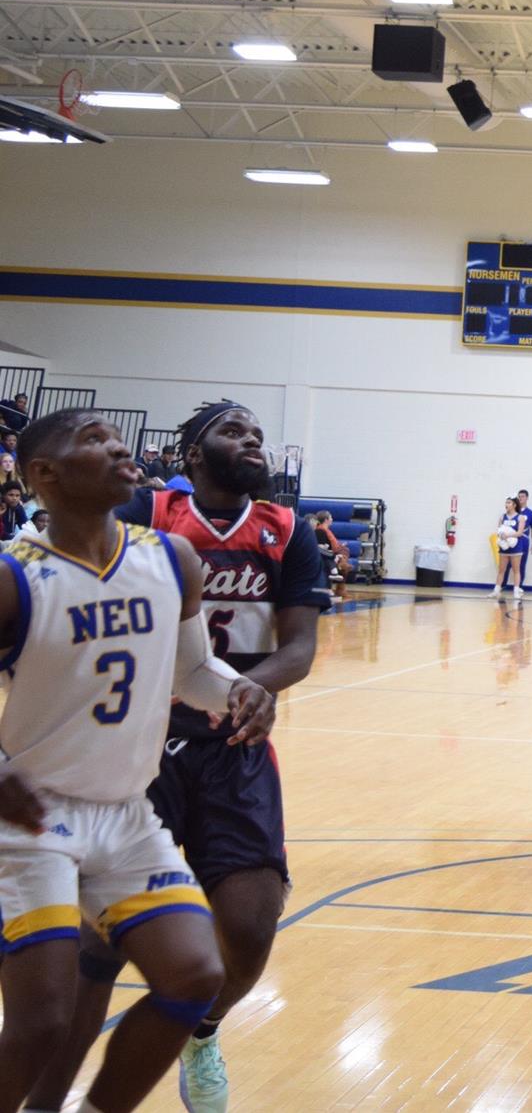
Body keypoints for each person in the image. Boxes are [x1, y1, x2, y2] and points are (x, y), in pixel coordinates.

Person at [27, 400, 327, 1113]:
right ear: (193, 453)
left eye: (257, 433)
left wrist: (249, 689)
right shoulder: (146, 514)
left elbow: (299, 645)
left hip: (232, 741)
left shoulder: (286, 530)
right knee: (96, 948)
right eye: (233, 430)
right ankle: (48, 1097)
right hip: (136, 746)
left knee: (249, 930)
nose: (251, 440)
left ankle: (204, 1030)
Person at [494, 497, 525, 599]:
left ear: (514, 505)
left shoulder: (520, 517)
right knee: (501, 570)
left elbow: (520, 533)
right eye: (506, 502)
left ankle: (516, 592)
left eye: (508, 502)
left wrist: (508, 535)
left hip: (516, 547)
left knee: (516, 570)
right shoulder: (502, 517)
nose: (506, 504)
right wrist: (501, 536)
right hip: (504, 547)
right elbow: (498, 530)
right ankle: (496, 591)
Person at [513, 489, 532, 565]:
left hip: (523, 540)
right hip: (512, 538)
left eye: (522, 496)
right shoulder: (513, 511)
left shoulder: (531, 513)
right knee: (509, 564)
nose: (520, 498)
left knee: (522, 564)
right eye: (519, 496)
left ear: (527, 498)